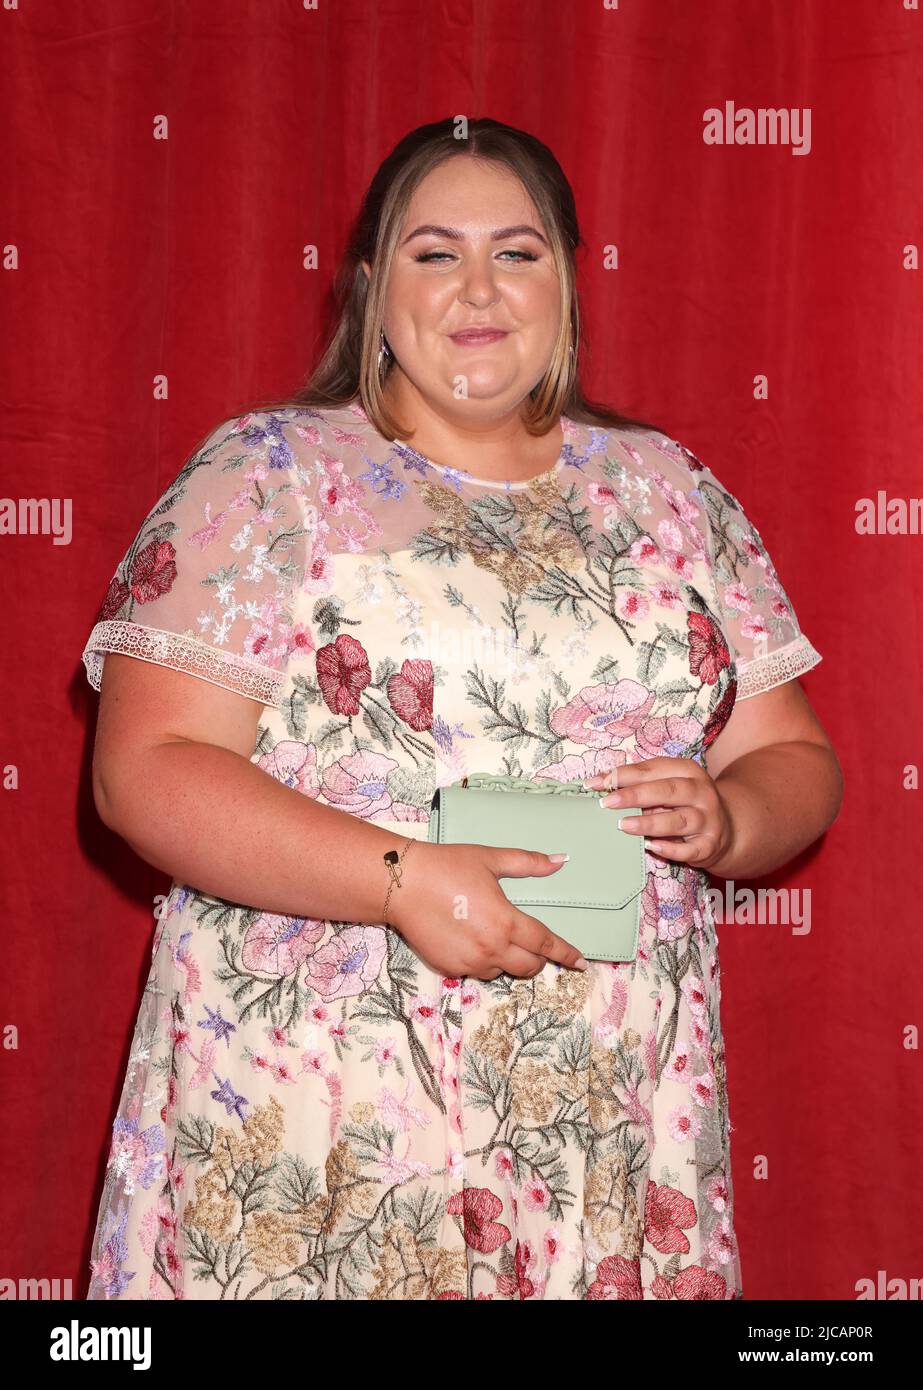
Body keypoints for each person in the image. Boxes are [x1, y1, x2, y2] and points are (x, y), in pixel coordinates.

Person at [81, 116, 842, 1301]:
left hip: (605, 1112)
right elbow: (146, 769)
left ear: (568, 280)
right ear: (371, 287)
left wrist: (732, 817)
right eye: (433, 253)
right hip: (328, 1112)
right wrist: (402, 879)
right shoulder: (265, 473)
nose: (478, 288)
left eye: (517, 252)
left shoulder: (668, 488)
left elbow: (790, 752)